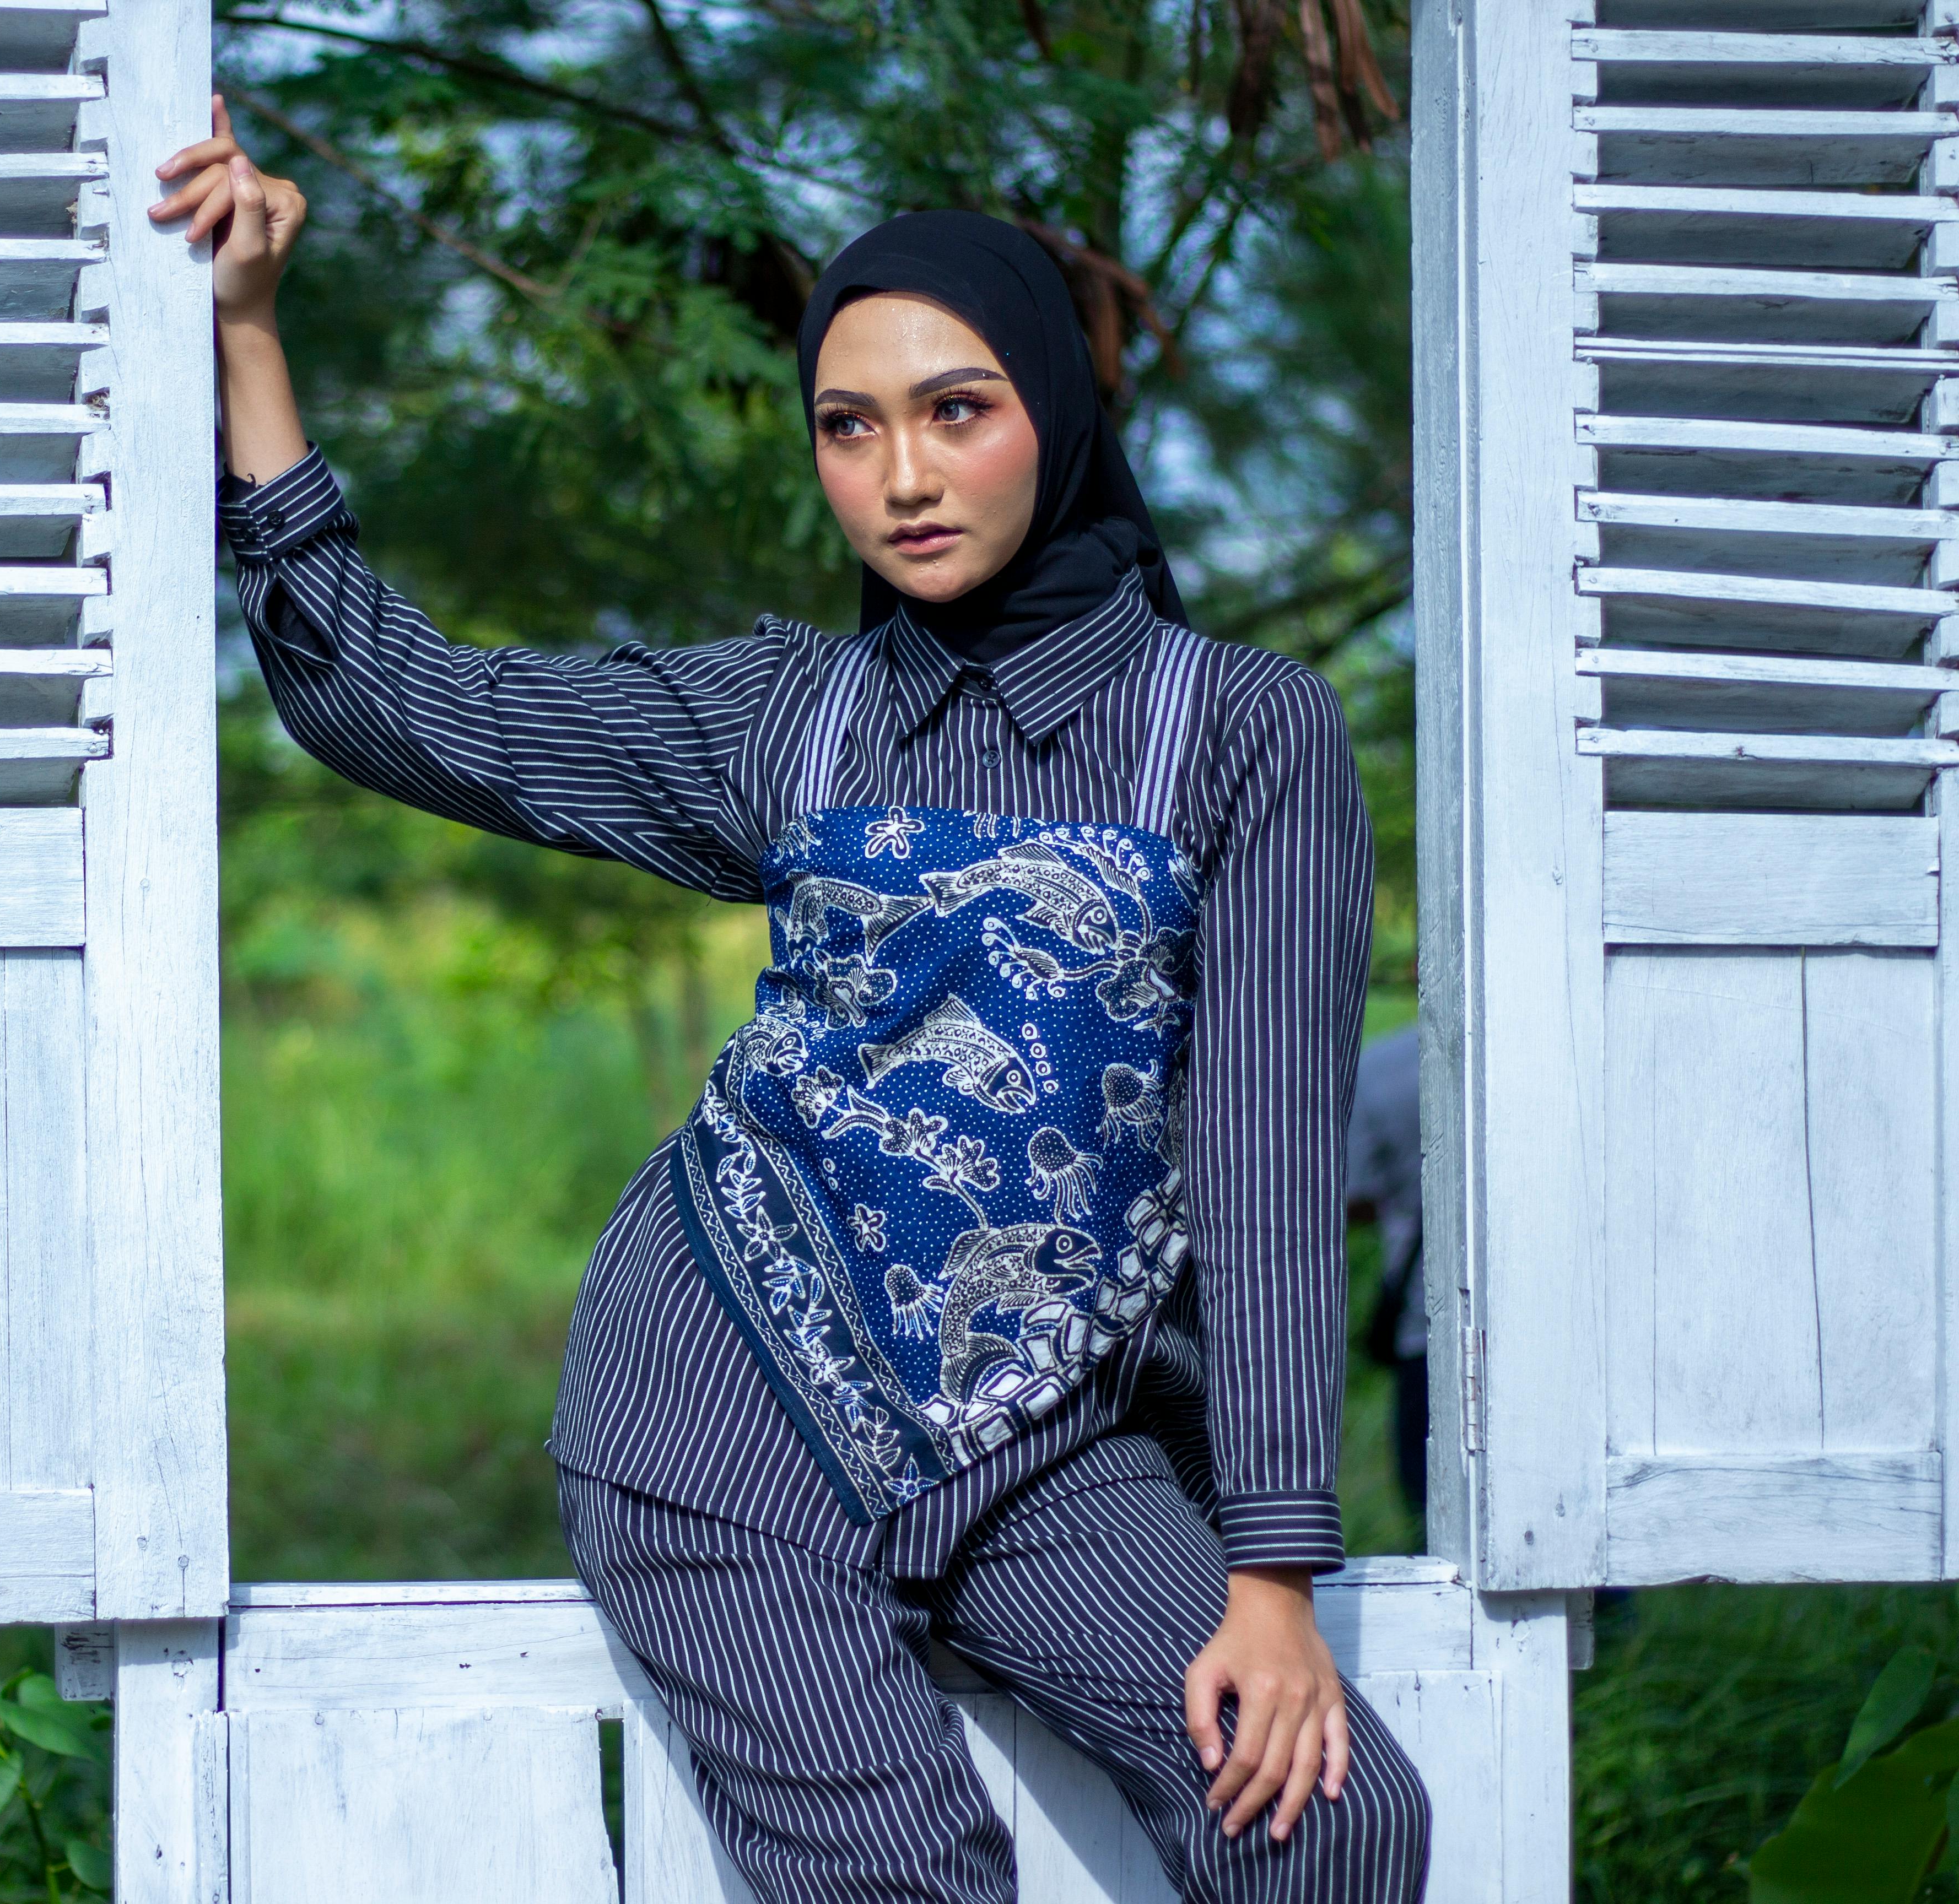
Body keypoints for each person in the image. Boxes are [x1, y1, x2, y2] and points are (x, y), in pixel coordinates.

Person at [156, 102, 1431, 1903]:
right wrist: (250, 331)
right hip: (720, 1405)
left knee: (1331, 1821)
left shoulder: (1234, 730)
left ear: (1055, 418)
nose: (901, 475)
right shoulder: (795, 715)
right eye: (849, 427)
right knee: (909, 1877)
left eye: (954, 411)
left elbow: (1269, 1159)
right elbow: (406, 700)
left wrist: (1275, 1572)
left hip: (1037, 1431)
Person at [1346, 1026, 1428, 1528]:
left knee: (1432, 1514)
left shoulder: (1379, 1068)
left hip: (1427, 1322)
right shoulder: (1547, 1046)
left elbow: (1351, 1198)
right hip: (1558, 1327)